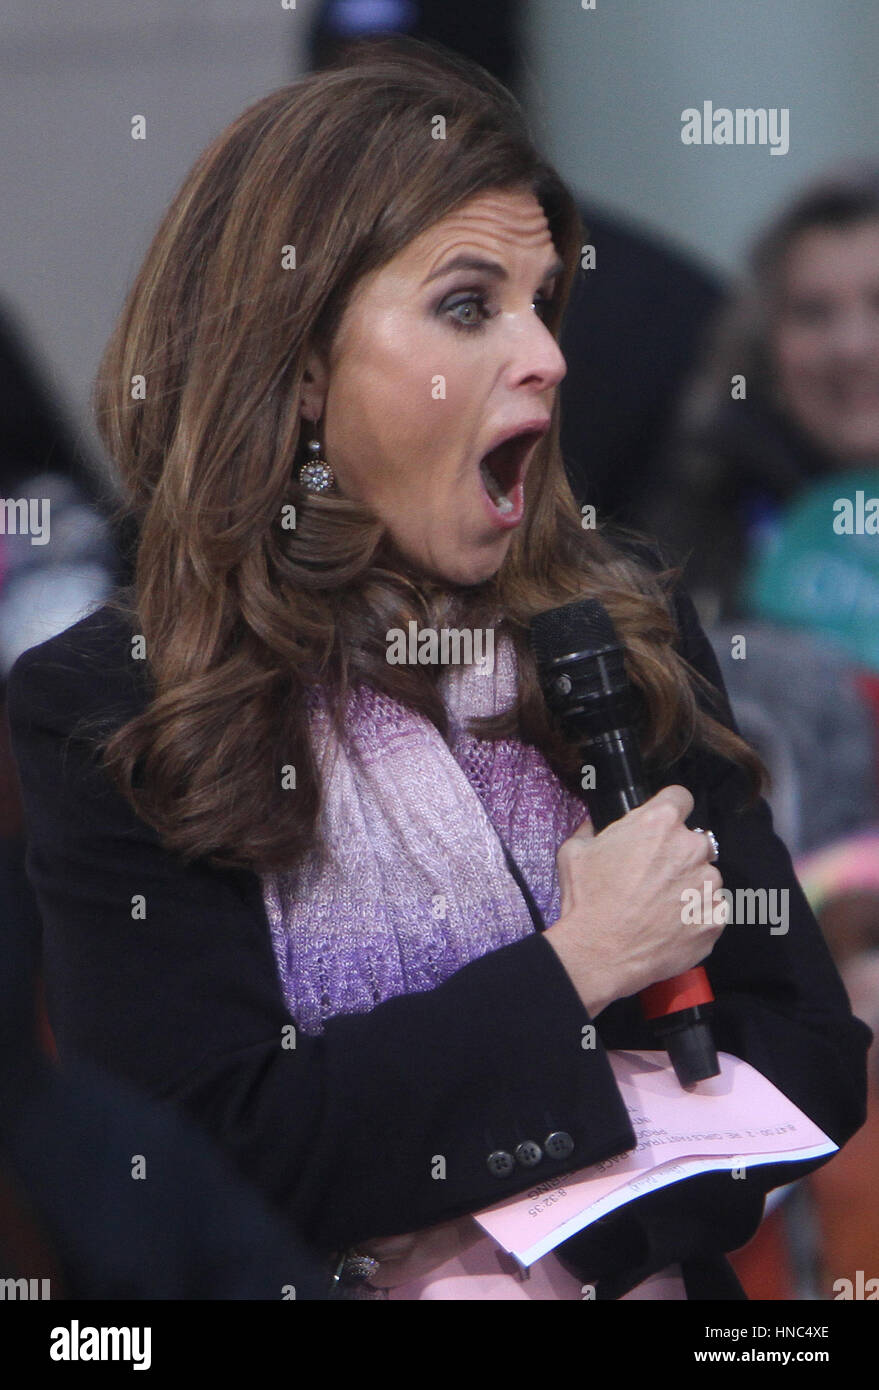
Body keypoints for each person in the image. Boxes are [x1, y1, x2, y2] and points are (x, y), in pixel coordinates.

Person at [6, 36, 871, 1300]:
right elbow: (190, 1153)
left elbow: (805, 1050)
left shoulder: (621, 634)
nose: (548, 357)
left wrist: (566, 1238)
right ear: (299, 370)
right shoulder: (121, 699)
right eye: (471, 306)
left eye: (542, 305)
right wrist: (578, 970)